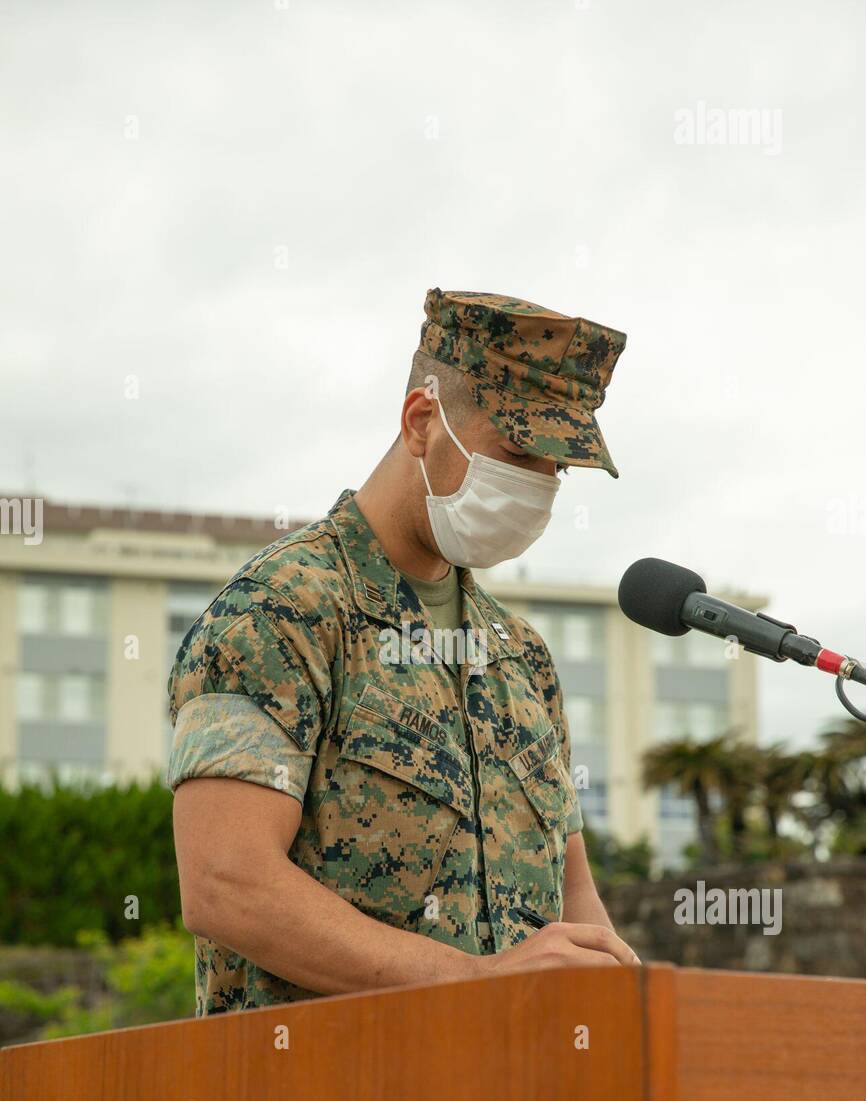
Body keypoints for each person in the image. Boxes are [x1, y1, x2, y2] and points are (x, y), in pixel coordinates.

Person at [168, 288, 638, 1016]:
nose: (540, 487)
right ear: (422, 421)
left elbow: (573, 901)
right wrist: (480, 984)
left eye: (556, 468)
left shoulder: (522, 659)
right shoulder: (282, 610)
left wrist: (627, 1001)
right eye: (519, 452)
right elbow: (225, 883)